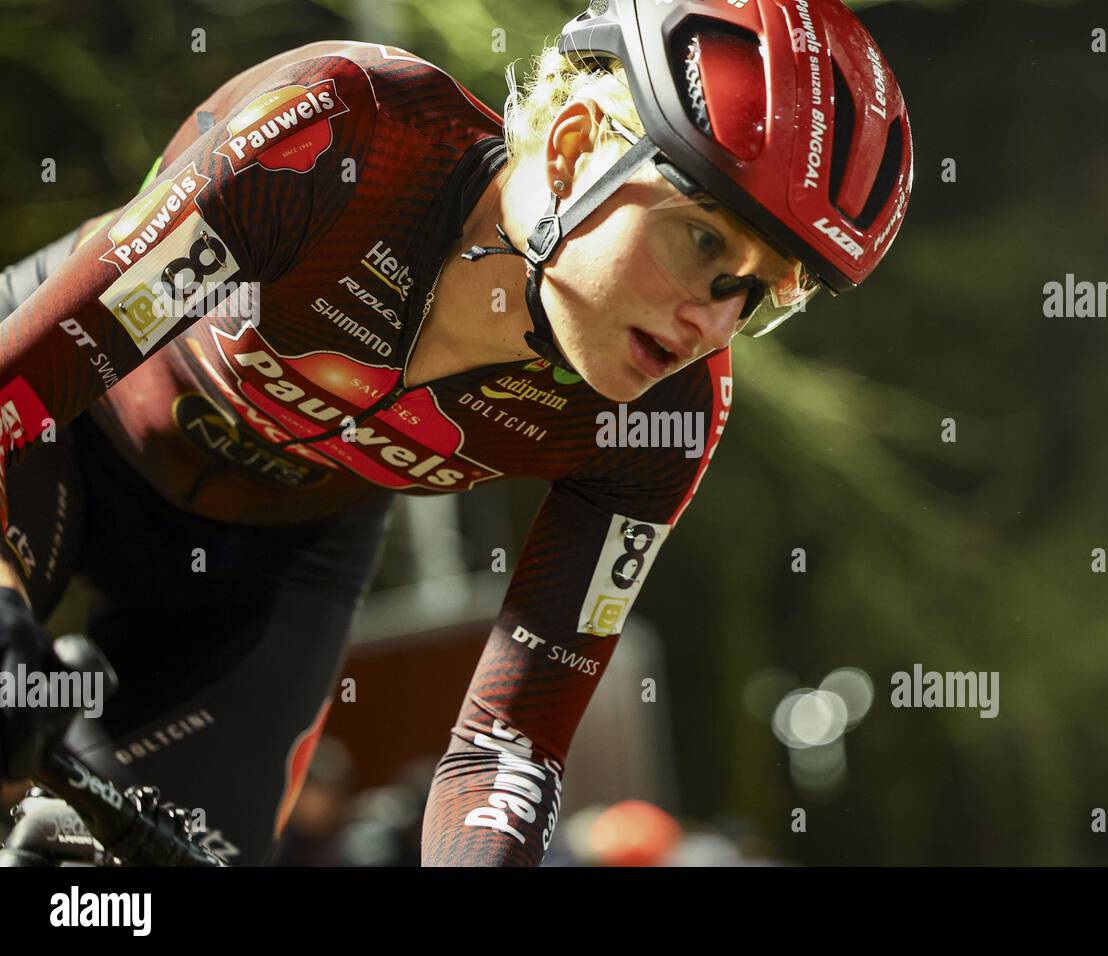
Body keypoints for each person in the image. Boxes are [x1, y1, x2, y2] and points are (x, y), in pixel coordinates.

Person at [0, 0, 911, 865]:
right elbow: (23, 391)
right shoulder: (337, 136)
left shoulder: (663, 421)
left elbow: (505, 749)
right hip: (59, 423)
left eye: (758, 293)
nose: (712, 323)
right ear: (574, 149)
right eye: (704, 243)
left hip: (273, 559)